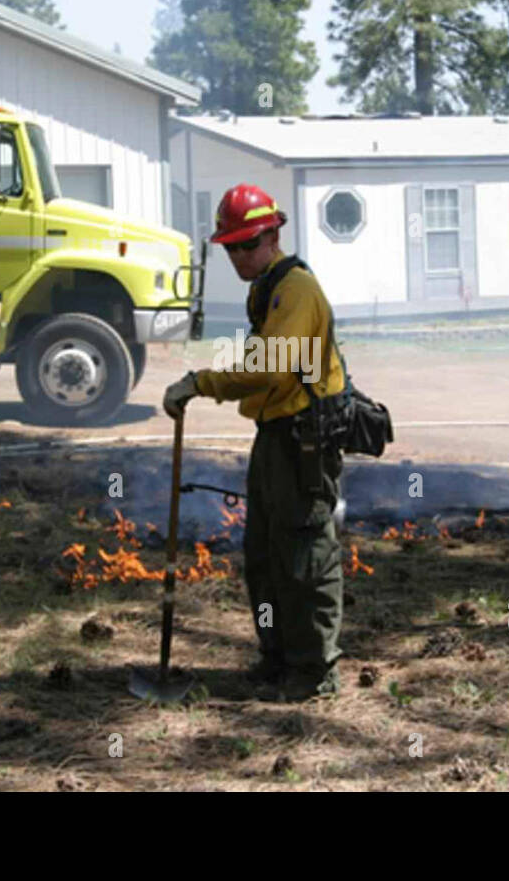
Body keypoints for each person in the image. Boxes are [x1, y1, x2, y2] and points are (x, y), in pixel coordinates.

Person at [163, 184, 347, 701]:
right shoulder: (265, 287)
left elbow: (269, 368)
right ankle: (277, 658)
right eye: (230, 248)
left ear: (273, 235)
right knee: (264, 557)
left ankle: (313, 672)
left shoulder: (296, 290)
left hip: (303, 442)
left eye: (247, 245)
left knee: (305, 555)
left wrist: (202, 383)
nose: (238, 256)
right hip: (274, 436)